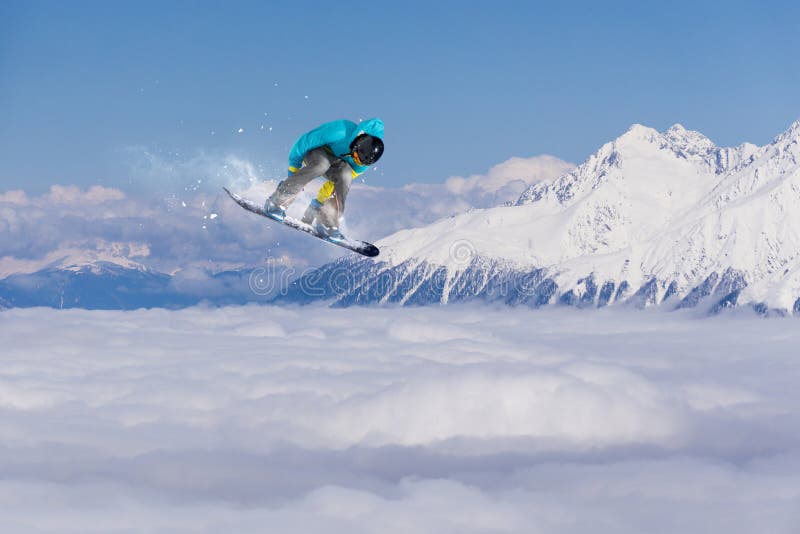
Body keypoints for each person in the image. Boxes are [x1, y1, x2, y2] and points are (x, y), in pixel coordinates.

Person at [265, 118, 384, 239]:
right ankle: (278, 200)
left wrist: (319, 203)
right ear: (357, 145)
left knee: (346, 175)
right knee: (321, 165)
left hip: (336, 163)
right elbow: (304, 142)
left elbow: (339, 183)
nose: (355, 161)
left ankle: (327, 221)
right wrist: (292, 174)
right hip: (315, 153)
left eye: (360, 162)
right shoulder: (340, 131)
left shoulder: (362, 164)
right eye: (356, 157)